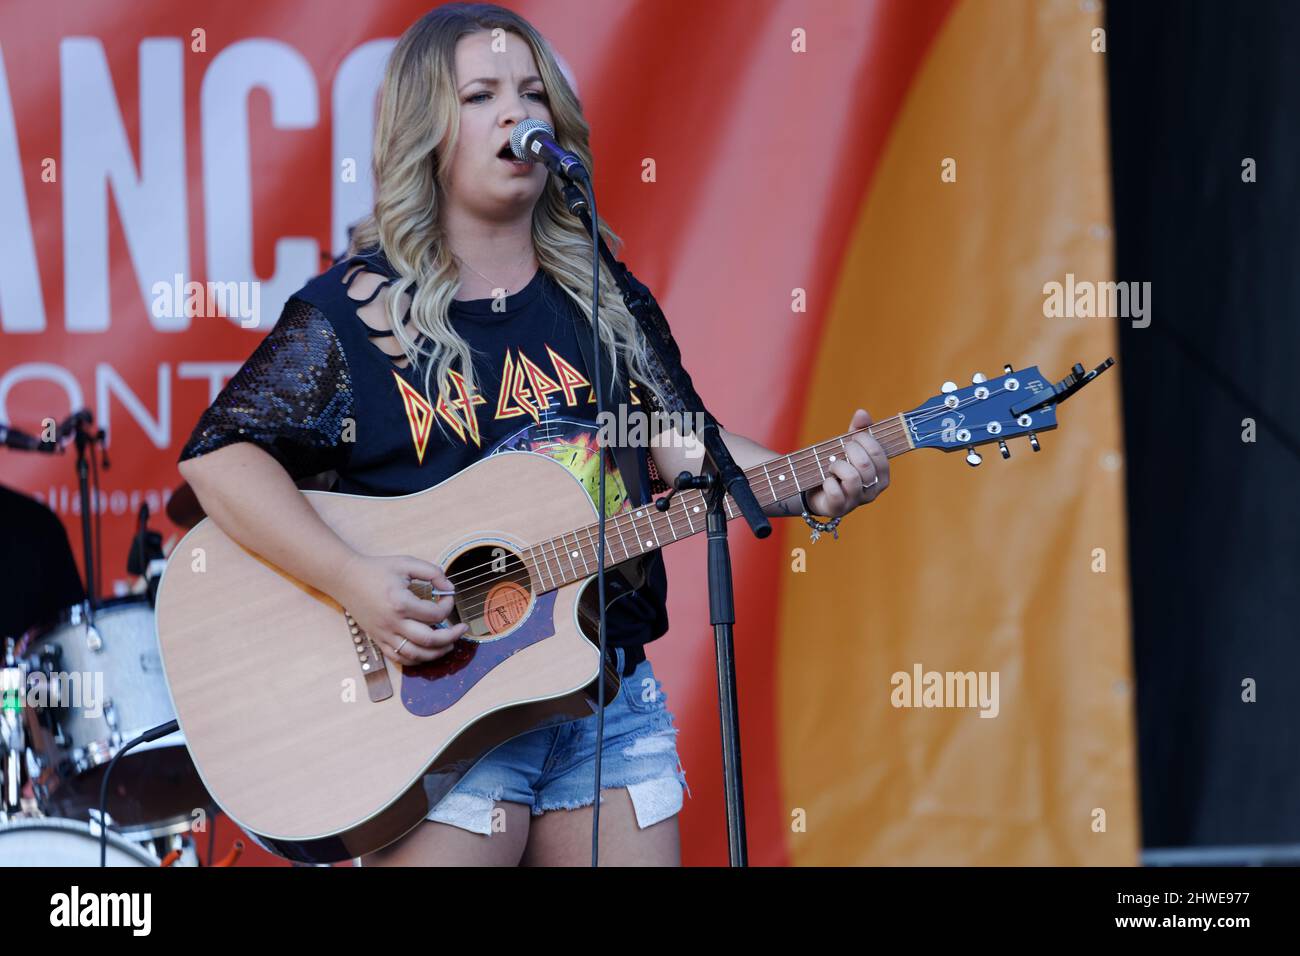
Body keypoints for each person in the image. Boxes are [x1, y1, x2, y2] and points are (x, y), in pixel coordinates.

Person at [176, 2, 889, 867]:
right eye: (481, 95)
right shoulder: (359, 311)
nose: (519, 114)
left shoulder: (602, 298)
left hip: (605, 700)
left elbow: (681, 444)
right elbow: (219, 459)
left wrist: (812, 479)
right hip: (431, 711)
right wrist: (357, 581)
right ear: (427, 133)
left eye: (532, 92)